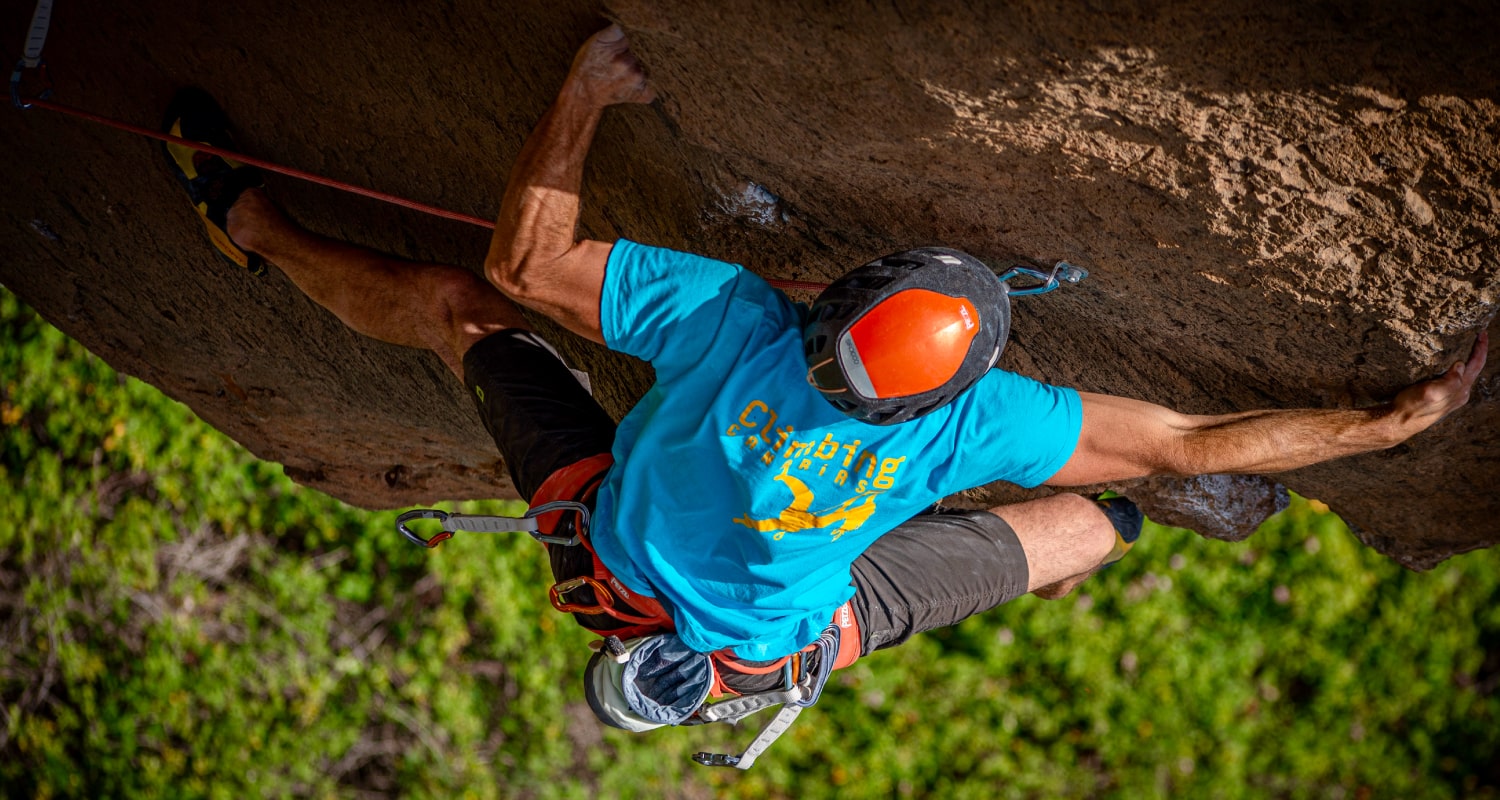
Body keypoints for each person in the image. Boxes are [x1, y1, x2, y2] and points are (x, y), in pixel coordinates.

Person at [162, 24, 1487, 763]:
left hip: (617, 546)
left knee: (467, 313)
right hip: (785, 626)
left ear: (835, 306)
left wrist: (584, 91)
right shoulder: (977, 425)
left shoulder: (744, 322)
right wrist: (1389, 424)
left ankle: (250, 225)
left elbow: (524, 268)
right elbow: (1189, 440)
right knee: (1109, 520)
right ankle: (253, 226)